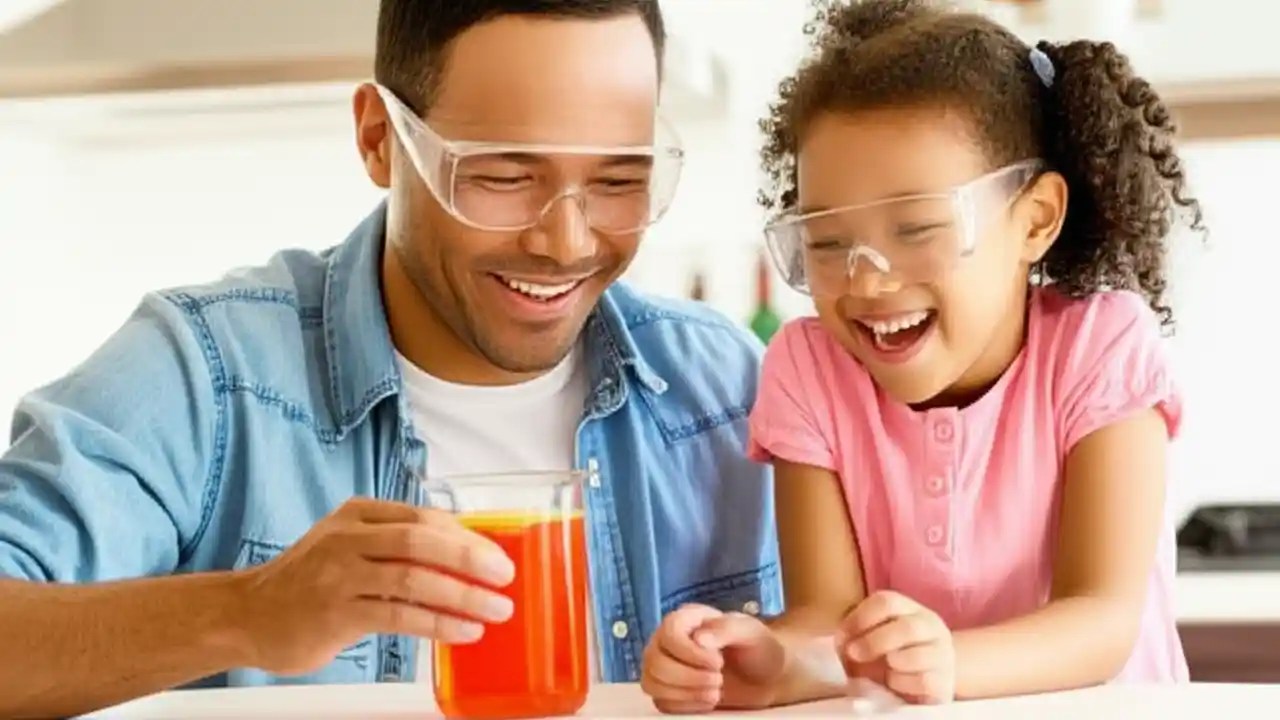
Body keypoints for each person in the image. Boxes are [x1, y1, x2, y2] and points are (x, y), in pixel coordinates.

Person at [0, 1, 782, 716]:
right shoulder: (206, 374)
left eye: (619, 180)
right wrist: (247, 612)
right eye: (502, 176)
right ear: (379, 138)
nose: (565, 242)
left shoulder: (721, 390)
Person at [641, 0, 1204, 712]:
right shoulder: (809, 370)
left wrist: (949, 659)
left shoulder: (1101, 346)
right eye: (827, 243)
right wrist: (768, 659)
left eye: (917, 228)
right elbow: (827, 621)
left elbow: (1101, 621)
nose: (869, 280)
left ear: (1034, 220)